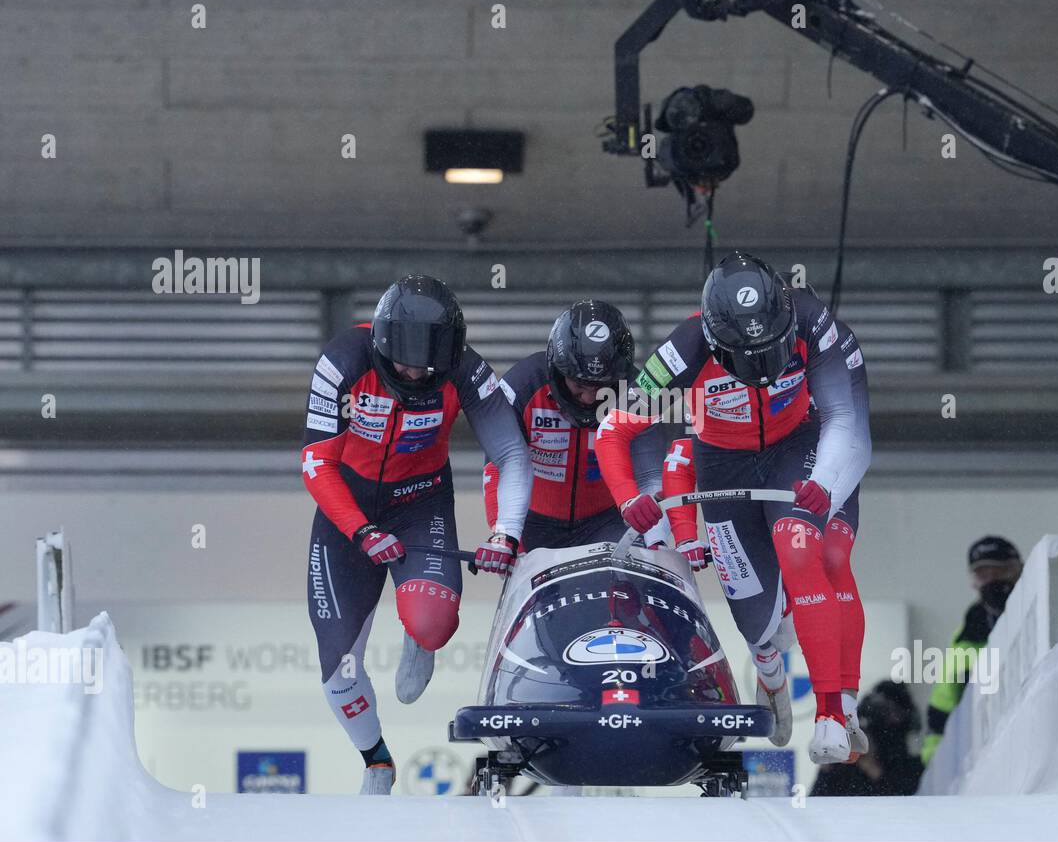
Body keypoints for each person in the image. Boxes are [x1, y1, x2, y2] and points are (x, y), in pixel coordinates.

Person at [595, 251, 872, 764]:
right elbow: (612, 432)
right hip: (723, 463)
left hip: (799, 446)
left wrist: (824, 483)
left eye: (773, 351)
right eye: (748, 358)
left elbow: (844, 418)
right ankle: (769, 668)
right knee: (756, 621)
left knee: (805, 552)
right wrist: (629, 497)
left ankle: (833, 710)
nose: (763, 369)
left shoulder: (813, 321)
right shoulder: (684, 348)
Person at [301, 274, 531, 795]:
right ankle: (377, 762)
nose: (414, 374)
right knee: (338, 669)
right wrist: (360, 530)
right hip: (347, 512)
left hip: (419, 501)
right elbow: (316, 463)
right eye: (403, 364)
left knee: (432, 624)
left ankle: (417, 633)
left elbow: (512, 454)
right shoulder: (343, 361)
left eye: (429, 368)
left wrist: (506, 533)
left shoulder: (469, 371)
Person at [659, 435, 866, 751]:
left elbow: (854, 439)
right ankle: (768, 667)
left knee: (830, 558)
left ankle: (843, 708)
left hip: (812, 467)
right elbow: (682, 456)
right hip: (742, 481)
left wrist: (826, 490)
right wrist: (686, 536)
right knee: (760, 625)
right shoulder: (714, 399)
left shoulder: (816, 397)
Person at [483, 300, 640, 548]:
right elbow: (496, 466)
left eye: (601, 386)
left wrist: (655, 538)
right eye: (579, 385)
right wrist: (504, 533)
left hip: (606, 523)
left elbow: (650, 466)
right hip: (533, 526)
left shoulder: (637, 392)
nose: (589, 398)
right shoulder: (523, 385)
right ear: (558, 371)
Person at [921, 536, 1021, 765]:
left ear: (1020, 571)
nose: (993, 582)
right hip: (985, 755)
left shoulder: (1055, 611)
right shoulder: (967, 633)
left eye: (1001, 571)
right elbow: (943, 700)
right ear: (973, 582)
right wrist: (933, 764)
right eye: (984, 575)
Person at [810, 681, 923, 797]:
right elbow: (817, 803)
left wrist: (872, 768)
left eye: (892, 713)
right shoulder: (847, 765)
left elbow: (906, 804)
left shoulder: (908, 767)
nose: (885, 720)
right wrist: (827, 767)